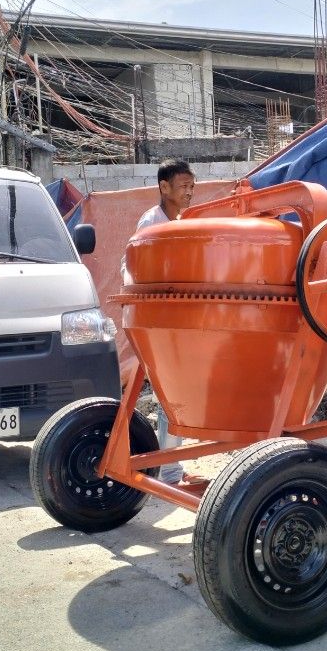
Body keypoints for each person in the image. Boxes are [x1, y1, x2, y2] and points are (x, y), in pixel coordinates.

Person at [122, 159, 200, 485]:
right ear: (163, 187)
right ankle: (168, 470)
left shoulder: (180, 220)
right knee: (170, 394)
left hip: (171, 318)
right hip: (155, 317)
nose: (189, 193)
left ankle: (170, 467)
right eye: (183, 187)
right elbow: (145, 270)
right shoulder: (152, 223)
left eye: (192, 187)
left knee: (173, 395)